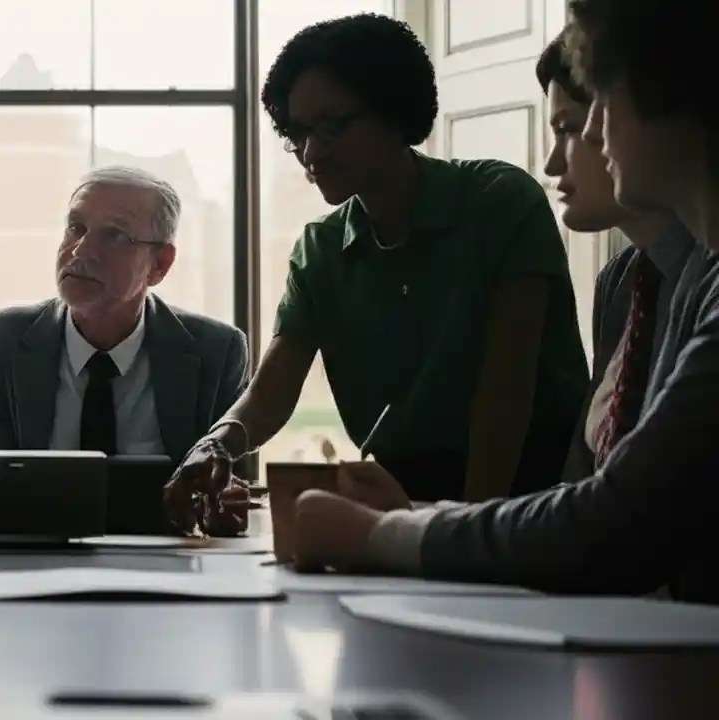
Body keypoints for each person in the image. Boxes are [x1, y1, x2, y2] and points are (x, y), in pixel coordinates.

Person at [288, 0, 719, 604]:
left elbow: (622, 518)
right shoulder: (639, 281)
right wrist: (417, 517)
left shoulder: (502, 205)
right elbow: (594, 492)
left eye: (599, 105)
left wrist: (386, 534)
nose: (588, 135)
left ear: (681, 98)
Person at [165, 13, 589, 533]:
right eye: (298, 133)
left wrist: (470, 533)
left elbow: (506, 392)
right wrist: (216, 444)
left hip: (536, 503)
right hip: (402, 507)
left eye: (334, 126)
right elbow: (272, 388)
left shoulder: (499, 202)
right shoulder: (319, 250)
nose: (311, 152)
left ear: (394, 111)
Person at [0, 167, 251, 532]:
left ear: (159, 265)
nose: (80, 251)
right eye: (75, 227)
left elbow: (233, 489)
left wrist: (224, 503)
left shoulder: (217, 352)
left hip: (171, 561)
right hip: (34, 557)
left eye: (114, 235)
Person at [536, 32, 694, 481]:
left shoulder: (706, 278)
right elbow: (580, 484)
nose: (551, 164)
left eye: (568, 128)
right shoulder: (621, 282)